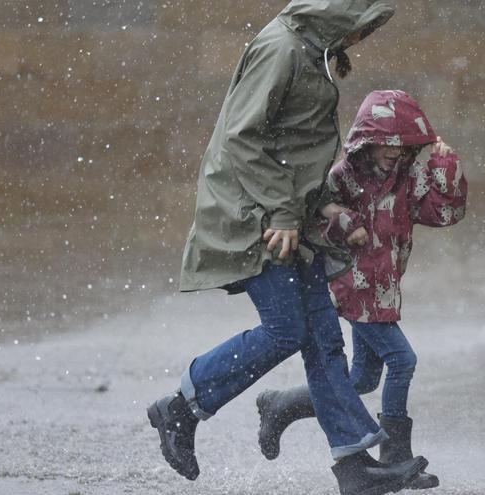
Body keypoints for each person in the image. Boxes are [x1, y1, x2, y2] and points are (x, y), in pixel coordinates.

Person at [146, 3, 429, 494]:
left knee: (323, 341)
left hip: (289, 221)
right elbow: (243, 138)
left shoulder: (312, 50)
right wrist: (281, 210)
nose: (361, 39)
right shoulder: (282, 49)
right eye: (363, 27)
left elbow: (295, 148)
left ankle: (353, 466)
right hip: (254, 218)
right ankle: (180, 407)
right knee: (287, 331)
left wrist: (322, 205)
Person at [256, 90, 468, 490]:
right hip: (351, 287)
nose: (394, 152)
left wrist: (445, 164)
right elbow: (314, 219)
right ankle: (397, 457)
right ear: (368, 140)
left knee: (363, 379)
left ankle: (281, 405)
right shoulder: (343, 177)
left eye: (402, 145)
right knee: (402, 360)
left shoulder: (407, 181)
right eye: (386, 142)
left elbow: (444, 213)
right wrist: (345, 223)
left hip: (383, 292)